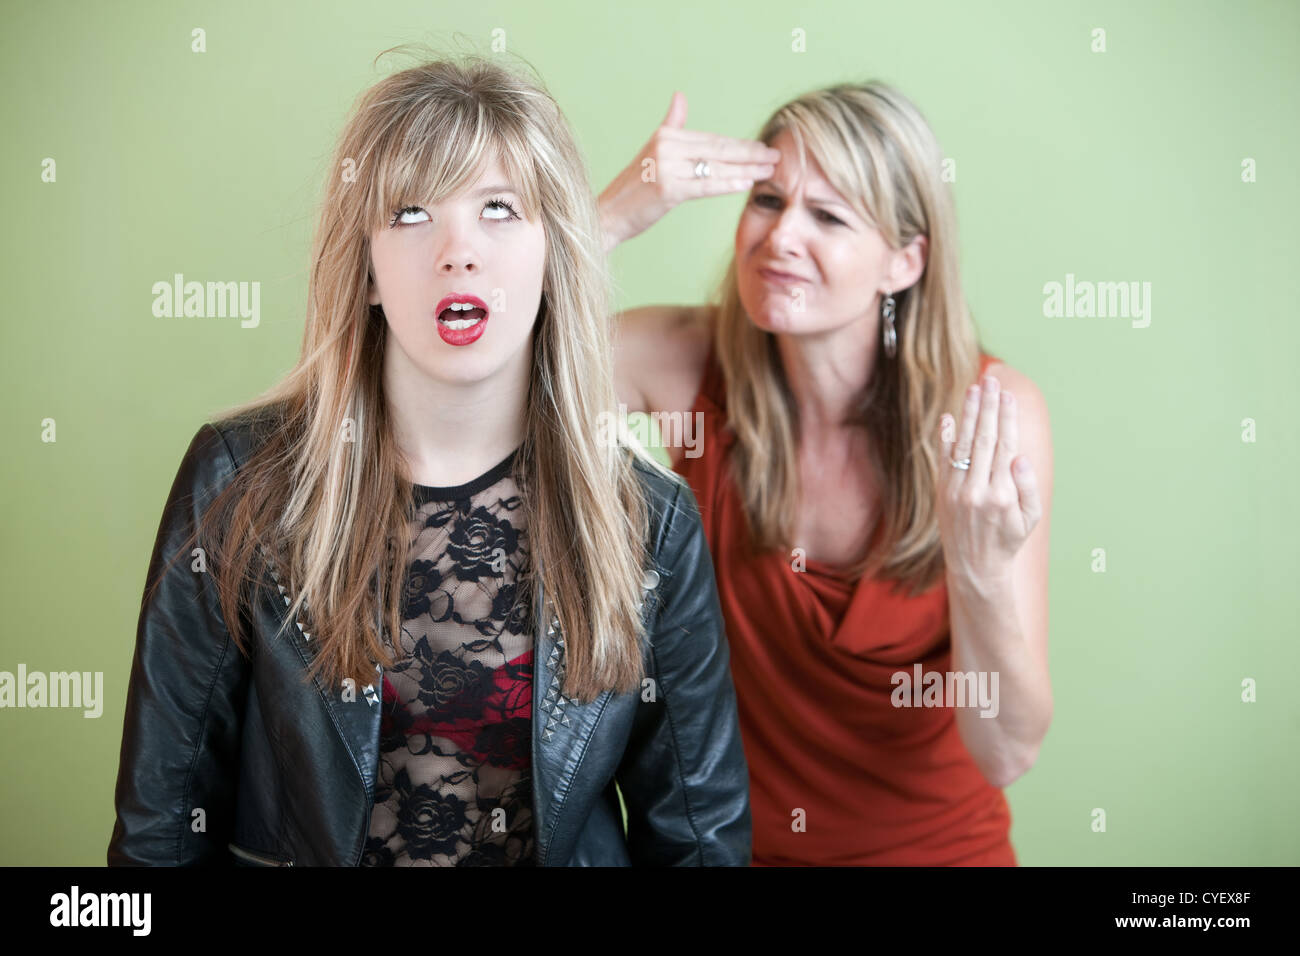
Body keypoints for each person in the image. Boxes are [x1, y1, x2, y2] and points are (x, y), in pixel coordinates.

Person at [107, 50, 750, 867]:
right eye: (411, 213)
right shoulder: (238, 481)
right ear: (367, 269)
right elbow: (158, 835)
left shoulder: (651, 522)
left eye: (499, 209)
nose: (458, 251)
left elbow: (700, 842)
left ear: (553, 255)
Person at [599, 83, 1054, 865]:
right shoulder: (685, 363)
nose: (781, 237)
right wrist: (607, 218)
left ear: (904, 262)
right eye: (769, 201)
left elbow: (1007, 752)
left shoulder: (989, 413)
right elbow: (480, 374)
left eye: (829, 217)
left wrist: (979, 569)